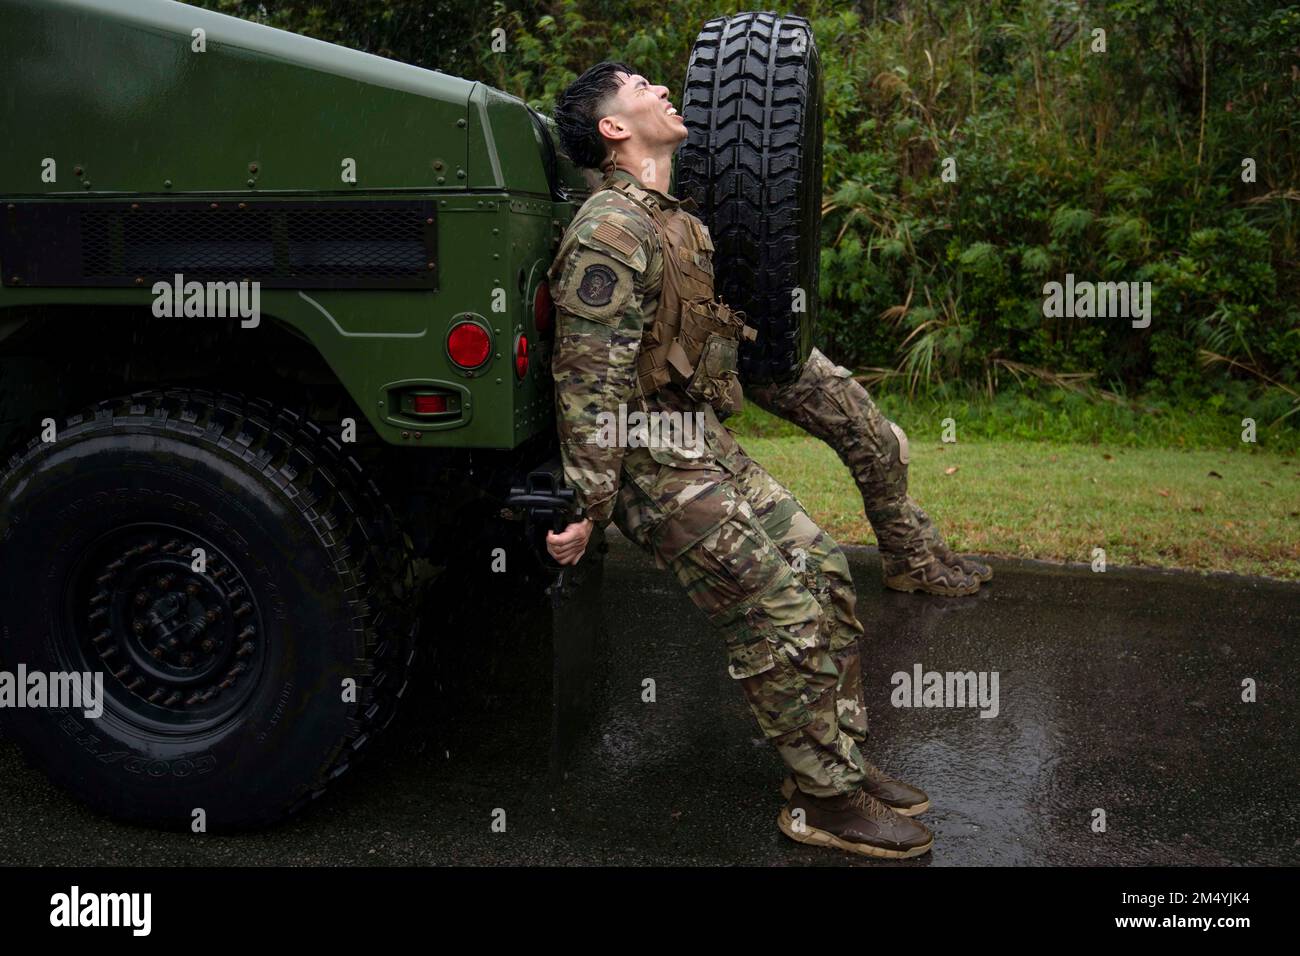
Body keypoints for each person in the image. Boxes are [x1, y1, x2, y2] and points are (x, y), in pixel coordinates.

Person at [543, 61, 932, 859]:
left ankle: (835, 762)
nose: (660, 89)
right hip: (654, 461)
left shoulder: (673, 220)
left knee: (823, 570)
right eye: (640, 86)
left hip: (700, 443)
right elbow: (588, 378)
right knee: (776, 612)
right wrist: (590, 505)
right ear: (613, 129)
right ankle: (822, 803)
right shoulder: (610, 229)